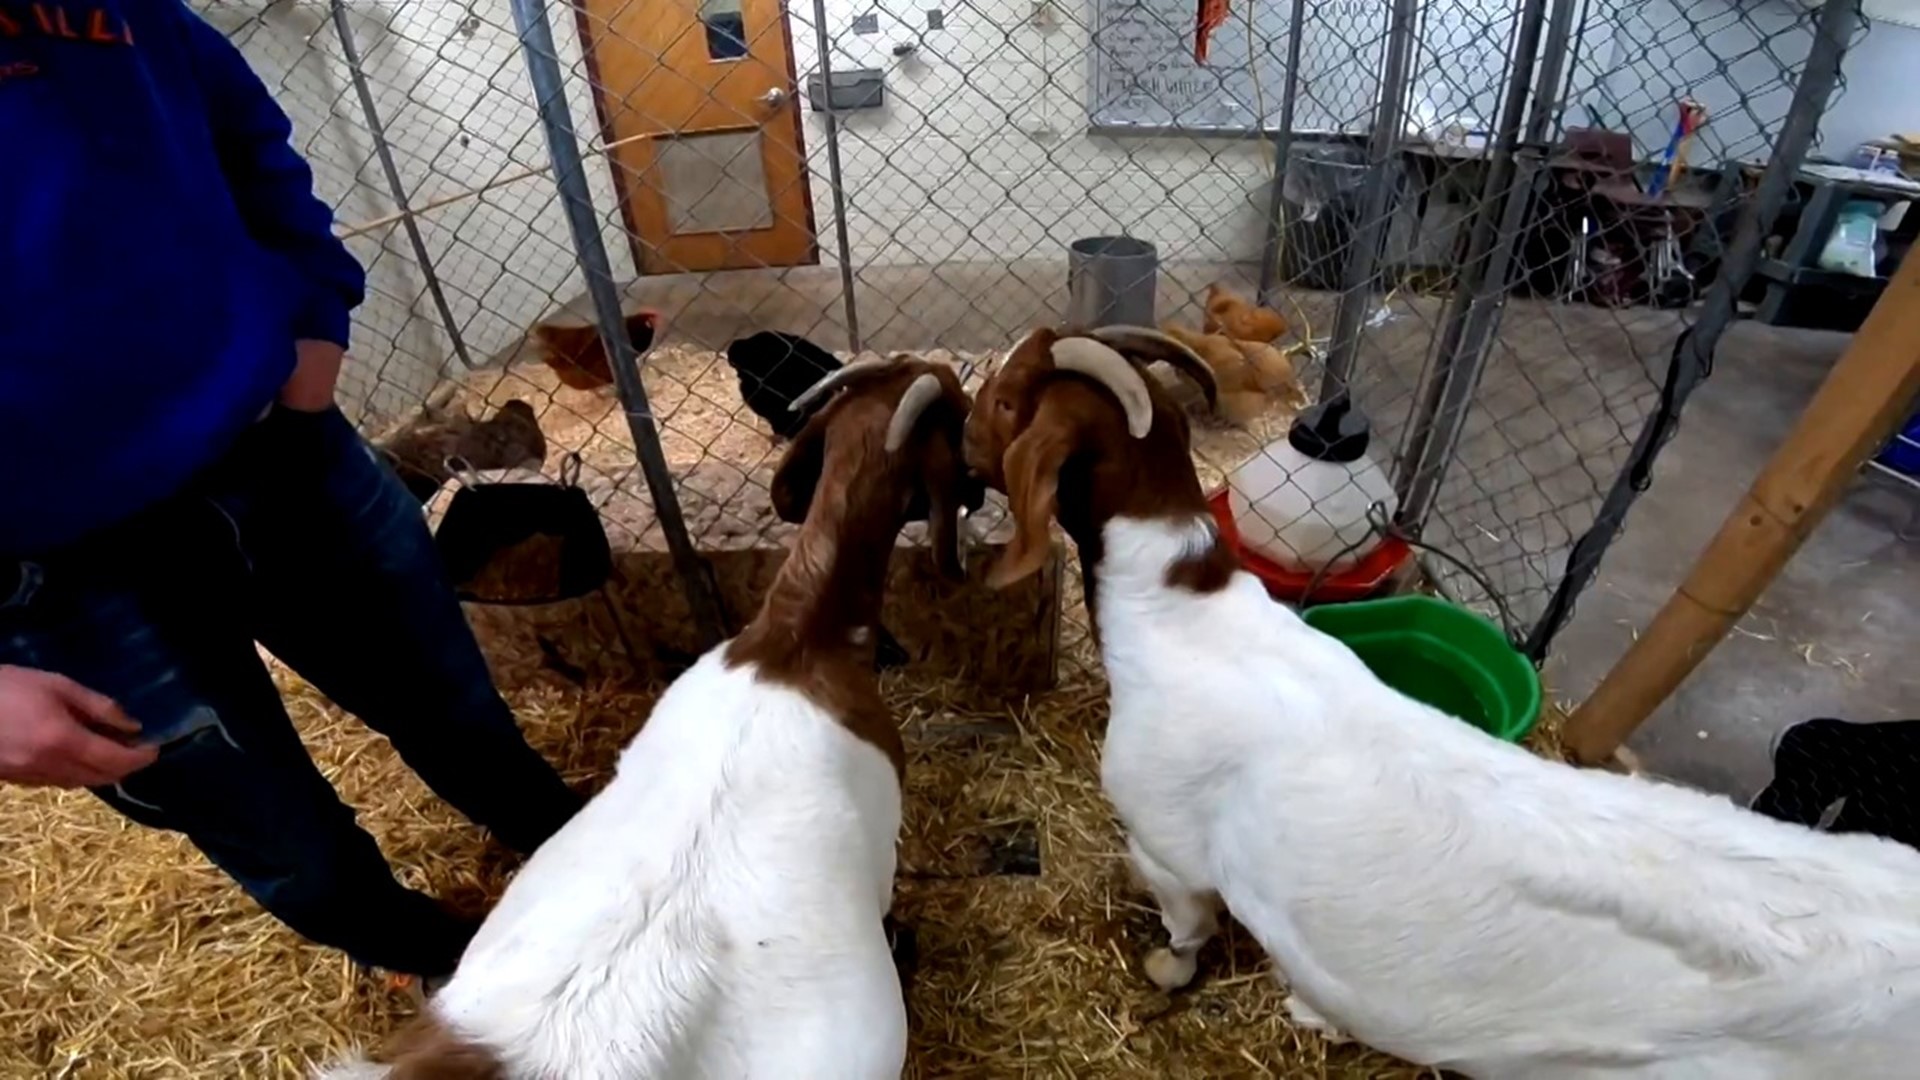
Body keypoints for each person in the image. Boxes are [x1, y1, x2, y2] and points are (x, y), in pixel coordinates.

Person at [0, 0, 582, 982]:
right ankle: (445, 965)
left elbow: (242, 125)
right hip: (51, 566)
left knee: (459, 712)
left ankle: (579, 855)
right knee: (294, 853)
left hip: (279, 451)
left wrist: (316, 315)